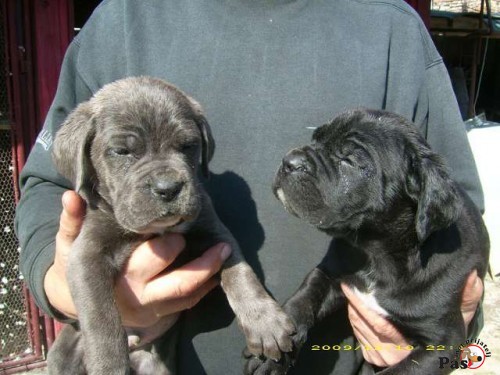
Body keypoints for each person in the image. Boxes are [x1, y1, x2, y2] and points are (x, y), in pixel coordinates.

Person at [15, 0, 485, 373]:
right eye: (127, 151)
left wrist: (449, 333)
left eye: (187, 149)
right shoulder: (121, 19)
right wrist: (61, 284)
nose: (166, 174)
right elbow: (45, 184)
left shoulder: (392, 30)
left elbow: (453, 208)